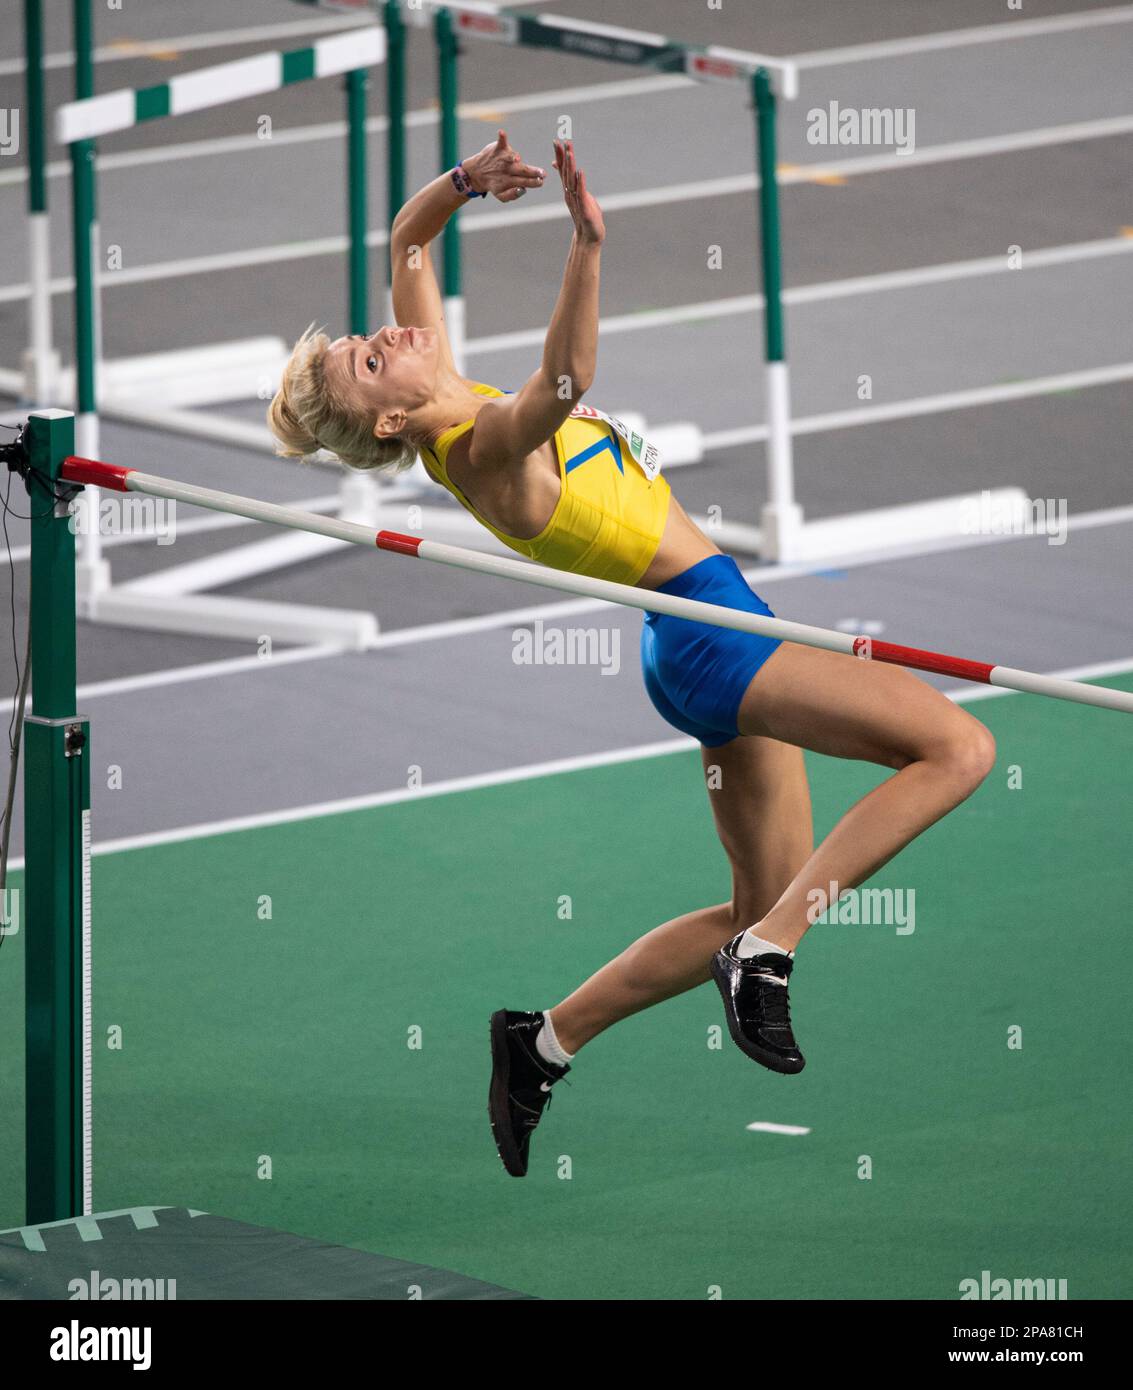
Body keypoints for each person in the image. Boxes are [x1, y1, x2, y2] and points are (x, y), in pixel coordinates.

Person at [268, 132, 996, 1178]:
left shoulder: (440, 380)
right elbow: (561, 385)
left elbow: (406, 238)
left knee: (757, 895)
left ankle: (543, 1040)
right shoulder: (473, 452)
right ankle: (768, 954)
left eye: (365, 335)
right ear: (385, 417)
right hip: (705, 631)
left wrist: (467, 183)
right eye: (370, 357)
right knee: (956, 748)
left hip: (699, 631)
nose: (384, 334)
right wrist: (585, 246)